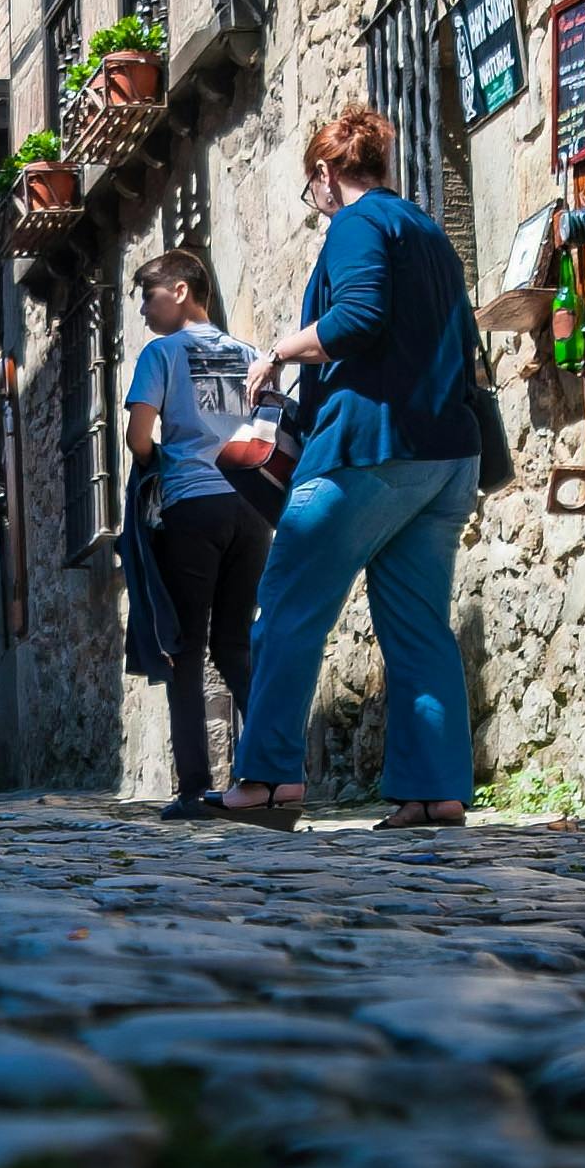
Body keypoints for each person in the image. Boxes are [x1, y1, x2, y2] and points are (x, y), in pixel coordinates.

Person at [217, 108, 488, 831]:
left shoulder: (356, 225)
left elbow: (357, 318)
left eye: (315, 191)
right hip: (445, 456)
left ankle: (269, 780)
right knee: (418, 626)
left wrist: (277, 350)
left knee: (285, 610)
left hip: (368, 451)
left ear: (325, 175)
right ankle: (433, 793)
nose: (317, 205)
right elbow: (458, 336)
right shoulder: (427, 232)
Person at [126, 248, 270, 820]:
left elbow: (139, 438)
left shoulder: (161, 353)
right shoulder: (250, 354)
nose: (142, 310)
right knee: (235, 643)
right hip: (252, 509)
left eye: (149, 296)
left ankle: (192, 788)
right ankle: (271, 772)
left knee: (184, 648)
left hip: (193, 505)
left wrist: (160, 461)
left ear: (181, 291)